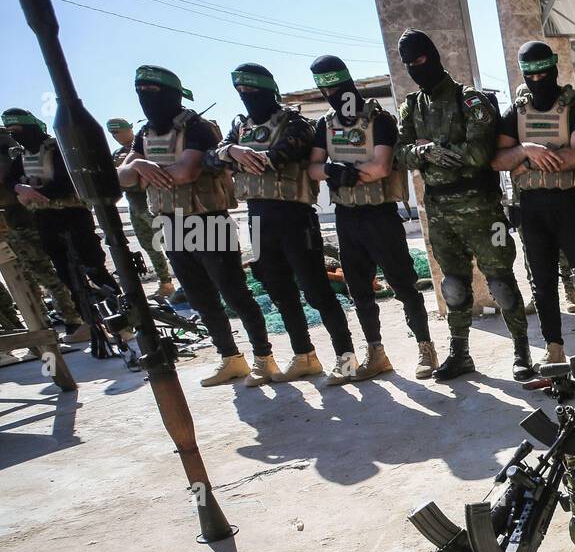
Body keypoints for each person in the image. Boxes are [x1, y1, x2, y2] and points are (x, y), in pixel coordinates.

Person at [117, 65, 273, 386]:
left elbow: (186, 172)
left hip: (208, 220)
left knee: (234, 293)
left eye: (152, 93)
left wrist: (143, 170)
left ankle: (264, 358)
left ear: (172, 95)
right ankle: (230, 358)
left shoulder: (197, 128)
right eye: (140, 92)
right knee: (200, 298)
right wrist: (140, 163)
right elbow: (122, 177)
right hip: (170, 224)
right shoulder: (146, 134)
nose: (146, 99)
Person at [393, 29, 533, 381]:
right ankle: (460, 353)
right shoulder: (412, 106)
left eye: (419, 61)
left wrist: (432, 150)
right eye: (408, 64)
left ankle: (522, 352)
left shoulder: (470, 100)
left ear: (434, 57)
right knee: (453, 286)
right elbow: (400, 154)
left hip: (483, 210)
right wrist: (424, 151)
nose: (414, 68)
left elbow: (478, 154)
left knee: (501, 283)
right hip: (439, 211)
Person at [216, 63, 359, 385]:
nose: (246, 96)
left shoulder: (296, 123)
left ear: (268, 89)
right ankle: (304, 355)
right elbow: (214, 158)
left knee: (317, 290)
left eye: (252, 90)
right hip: (256, 215)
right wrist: (233, 150)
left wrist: (238, 157)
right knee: (279, 289)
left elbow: (277, 158)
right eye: (240, 91)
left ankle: (346, 360)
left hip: (294, 216)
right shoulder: (239, 126)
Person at [306, 56, 439, 380]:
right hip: (346, 217)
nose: (331, 94)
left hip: (380, 215)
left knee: (403, 286)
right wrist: (331, 171)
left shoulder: (377, 119)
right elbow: (313, 168)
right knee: (359, 291)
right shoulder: (325, 124)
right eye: (325, 89)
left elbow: (381, 167)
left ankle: (426, 348)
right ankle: (376, 354)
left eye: (335, 86)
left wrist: (344, 174)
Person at [492, 41, 575, 367]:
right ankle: (554, 347)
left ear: (554, 68)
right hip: (532, 209)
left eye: (543, 72)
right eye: (530, 73)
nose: (537, 78)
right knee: (542, 283)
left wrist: (525, 161)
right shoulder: (514, 114)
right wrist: (528, 149)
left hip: (571, 204)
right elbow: (498, 160)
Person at [4, 107, 122, 338]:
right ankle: (90, 325)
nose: (16, 134)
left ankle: (125, 320)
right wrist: (20, 187)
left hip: (73, 215)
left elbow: (66, 183)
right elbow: (10, 180)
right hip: (45, 218)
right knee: (67, 275)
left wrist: (33, 189)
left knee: (94, 269)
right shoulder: (22, 156)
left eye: (18, 129)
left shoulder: (57, 148)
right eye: (11, 131)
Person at [0, 127, 83, 339]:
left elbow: (8, 178)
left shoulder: (6, 142)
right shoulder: (11, 142)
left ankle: (73, 319)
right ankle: (50, 323)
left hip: (24, 218)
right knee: (31, 275)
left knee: (44, 271)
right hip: (17, 219)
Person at [107, 117, 175, 300]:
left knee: (170, 245)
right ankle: (166, 283)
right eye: (112, 133)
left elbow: (146, 178)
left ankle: (185, 281)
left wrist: (131, 178)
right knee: (149, 245)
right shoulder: (117, 154)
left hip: (153, 204)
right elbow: (117, 181)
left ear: (129, 129)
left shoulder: (145, 146)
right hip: (135, 206)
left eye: (117, 131)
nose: (115, 136)